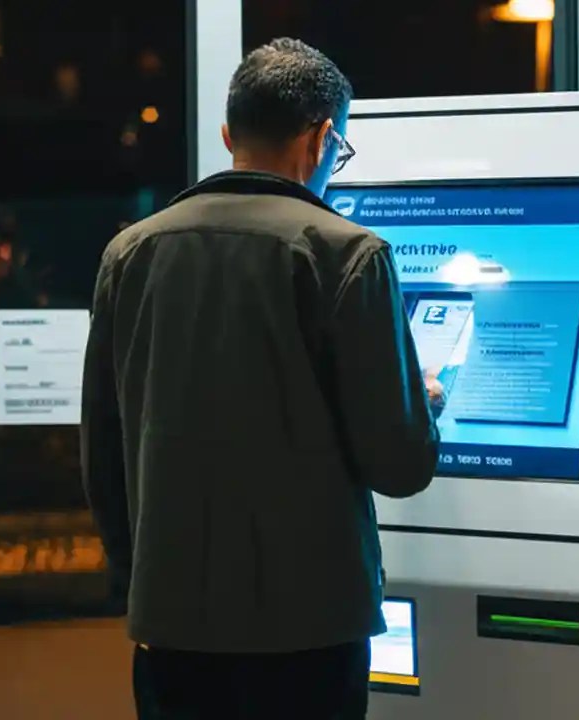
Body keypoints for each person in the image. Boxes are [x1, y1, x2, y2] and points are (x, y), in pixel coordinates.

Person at [81, 38, 441, 719]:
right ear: (322, 137)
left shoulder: (130, 251)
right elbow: (398, 463)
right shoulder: (346, 254)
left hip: (171, 626)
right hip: (310, 634)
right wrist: (424, 403)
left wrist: (141, 582)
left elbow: (102, 448)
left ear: (228, 134)